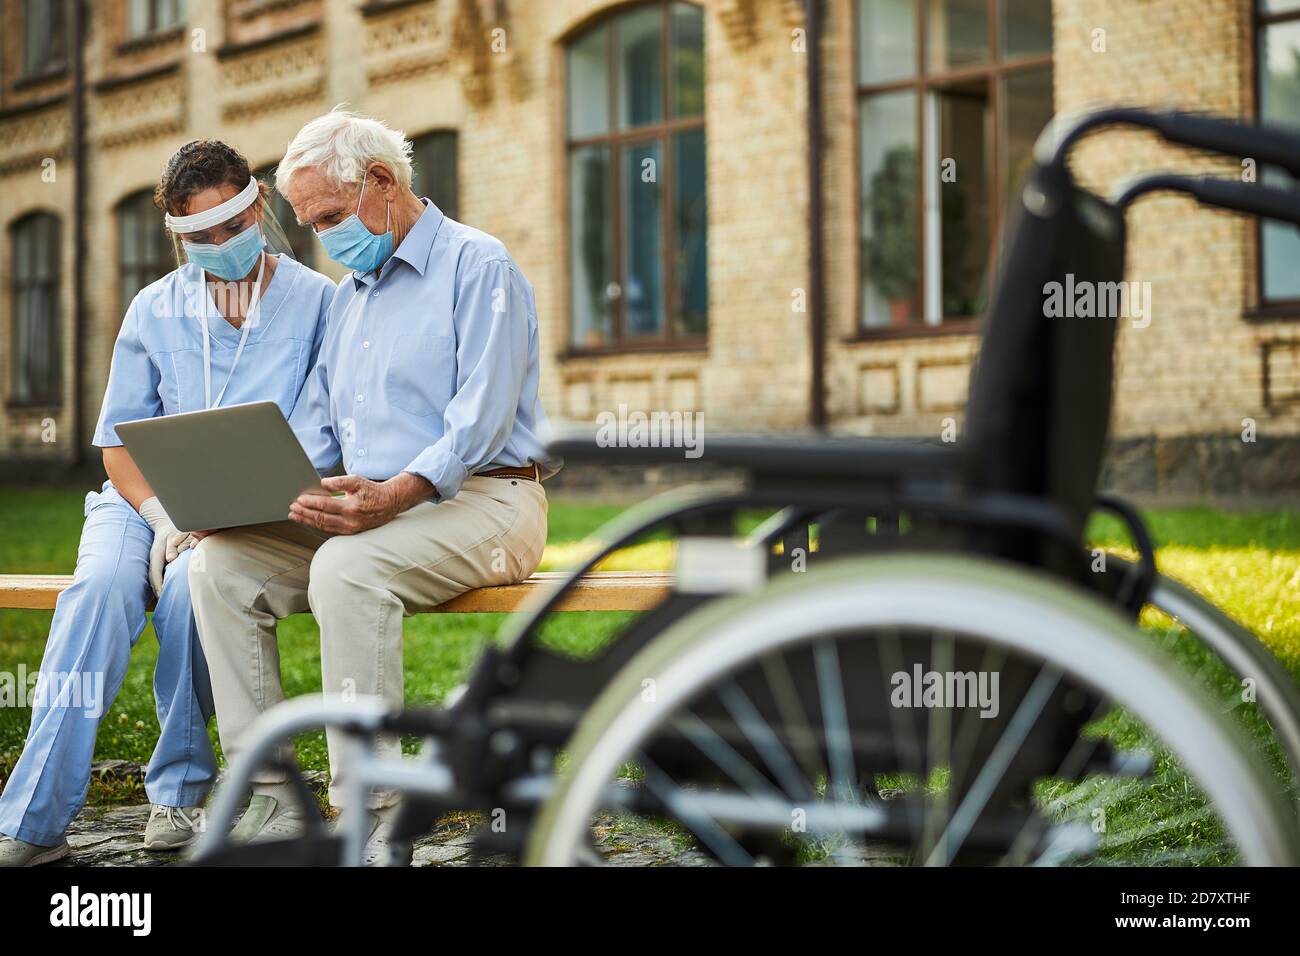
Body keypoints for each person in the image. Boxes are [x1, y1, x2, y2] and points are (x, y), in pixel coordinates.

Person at [188, 109, 560, 864]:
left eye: (329, 216)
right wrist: (253, 501)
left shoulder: (478, 266)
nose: (324, 238)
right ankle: (272, 792)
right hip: (374, 508)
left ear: (382, 182)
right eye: (309, 223)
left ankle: (377, 805)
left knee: (347, 567)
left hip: (491, 501)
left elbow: (481, 422)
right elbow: (321, 431)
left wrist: (395, 495)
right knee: (218, 567)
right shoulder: (352, 294)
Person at [0, 141, 337, 866]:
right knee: (96, 593)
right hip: (140, 503)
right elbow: (117, 445)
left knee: (190, 588)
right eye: (199, 236)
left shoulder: (318, 305)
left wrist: (212, 517)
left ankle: (177, 799)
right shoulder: (154, 308)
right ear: (177, 237)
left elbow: (319, 444)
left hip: (247, 512)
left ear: (261, 205)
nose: (220, 245)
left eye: (233, 224)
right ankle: (32, 822)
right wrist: (161, 517)